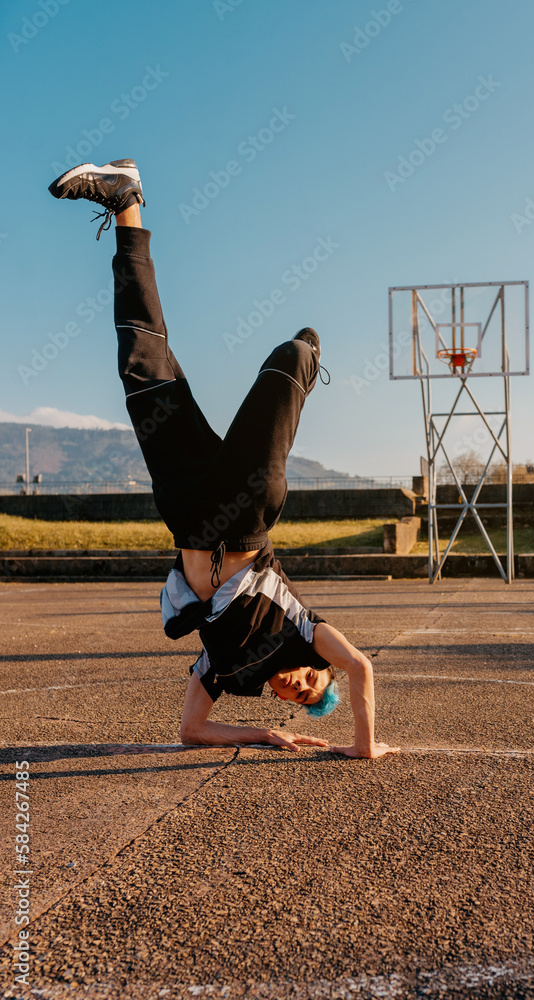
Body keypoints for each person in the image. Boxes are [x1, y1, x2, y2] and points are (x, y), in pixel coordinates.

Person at [48, 158, 399, 760]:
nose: (298, 685)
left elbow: (192, 731)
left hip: (187, 508)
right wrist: (364, 746)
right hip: (242, 506)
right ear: (319, 667)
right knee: (290, 355)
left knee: (139, 363)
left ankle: (125, 199)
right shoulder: (307, 631)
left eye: (296, 697)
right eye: (313, 682)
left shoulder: (228, 670)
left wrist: (262, 734)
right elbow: (361, 668)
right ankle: (309, 355)